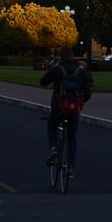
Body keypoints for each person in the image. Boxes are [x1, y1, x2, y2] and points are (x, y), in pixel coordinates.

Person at [40, 45, 92, 176]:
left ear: (61, 56)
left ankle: (54, 149)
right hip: (74, 109)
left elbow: (43, 81)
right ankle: (70, 167)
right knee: (72, 137)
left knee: (51, 127)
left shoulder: (58, 70)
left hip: (59, 107)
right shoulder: (80, 72)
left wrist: (53, 68)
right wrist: (80, 103)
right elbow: (88, 93)